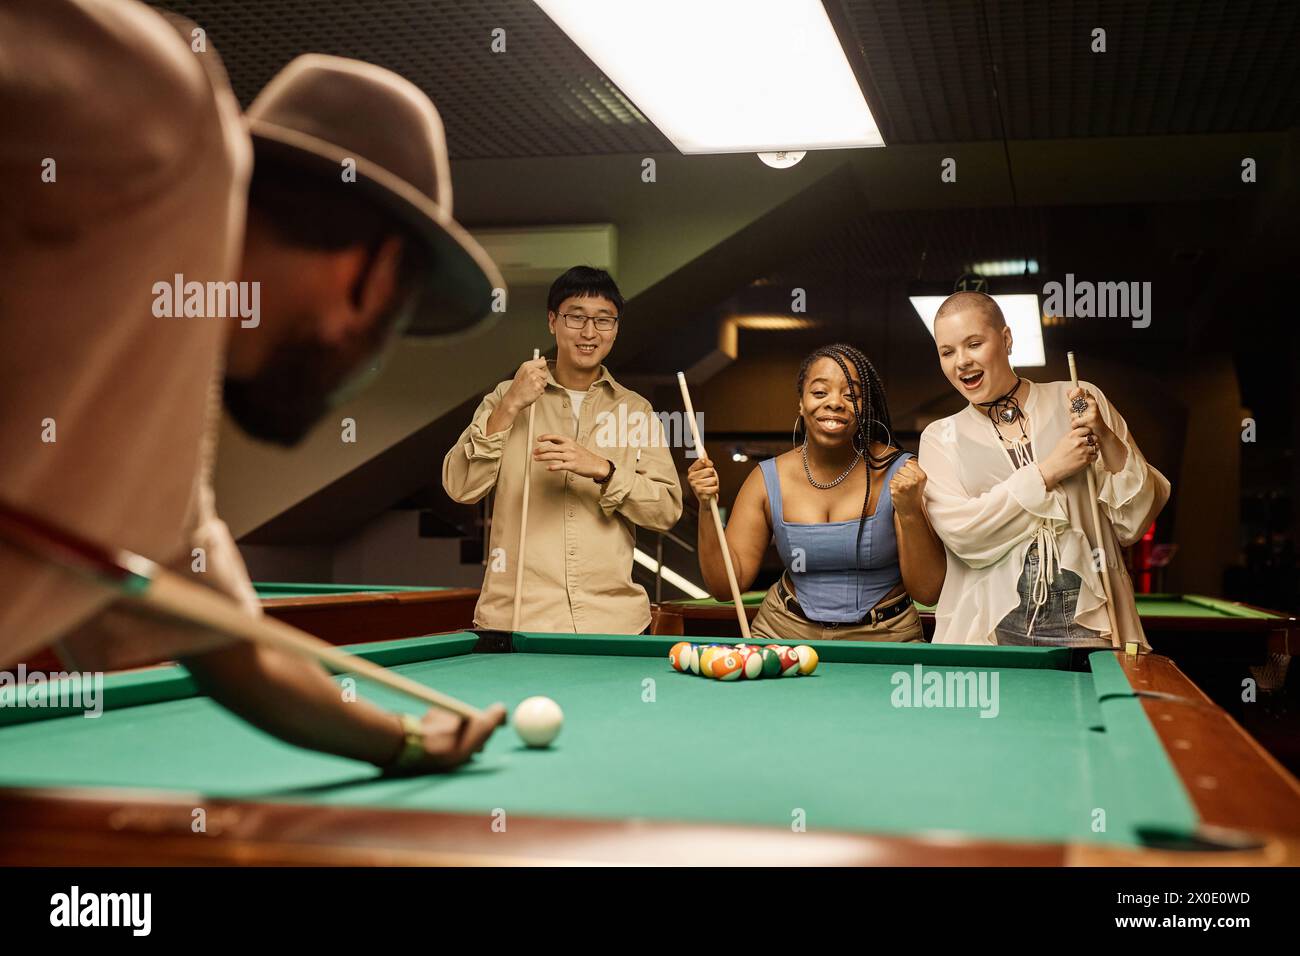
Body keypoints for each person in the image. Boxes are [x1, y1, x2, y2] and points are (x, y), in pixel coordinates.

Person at [0, 0, 505, 772]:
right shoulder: (168, 103)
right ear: (373, 273)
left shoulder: (153, 478)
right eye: (393, 330)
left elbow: (242, 656)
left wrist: (402, 740)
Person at [918, 292, 1170, 647]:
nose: (961, 361)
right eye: (947, 352)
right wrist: (1048, 471)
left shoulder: (1078, 400)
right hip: (990, 629)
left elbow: (1135, 519)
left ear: (1006, 340)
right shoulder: (940, 437)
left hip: (1088, 620)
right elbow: (964, 535)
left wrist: (1105, 435)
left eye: (974, 344)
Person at [443, 266, 683, 634]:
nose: (589, 333)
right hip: (518, 619)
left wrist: (604, 469)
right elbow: (461, 487)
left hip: (613, 624)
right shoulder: (506, 397)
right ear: (553, 321)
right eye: (576, 317)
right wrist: (510, 406)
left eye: (604, 320)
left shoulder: (635, 411)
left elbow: (666, 511)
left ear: (616, 328)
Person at [686, 344, 946, 642]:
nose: (835, 402)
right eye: (820, 392)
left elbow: (928, 591)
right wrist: (706, 508)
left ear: (867, 405)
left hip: (884, 635)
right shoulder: (767, 478)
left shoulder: (900, 474)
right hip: (782, 631)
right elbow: (725, 587)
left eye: (851, 395)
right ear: (801, 402)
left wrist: (910, 508)